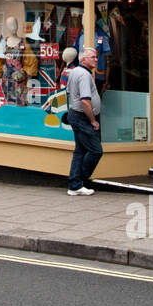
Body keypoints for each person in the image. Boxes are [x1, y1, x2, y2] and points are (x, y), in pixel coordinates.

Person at [65, 48, 104, 195]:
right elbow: (85, 101)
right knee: (96, 150)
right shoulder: (84, 75)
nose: (95, 59)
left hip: (77, 116)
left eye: (96, 57)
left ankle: (75, 186)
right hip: (82, 117)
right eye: (92, 57)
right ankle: (77, 181)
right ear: (83, 60)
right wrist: (93, 120)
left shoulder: (75, 71)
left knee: (80, 151)